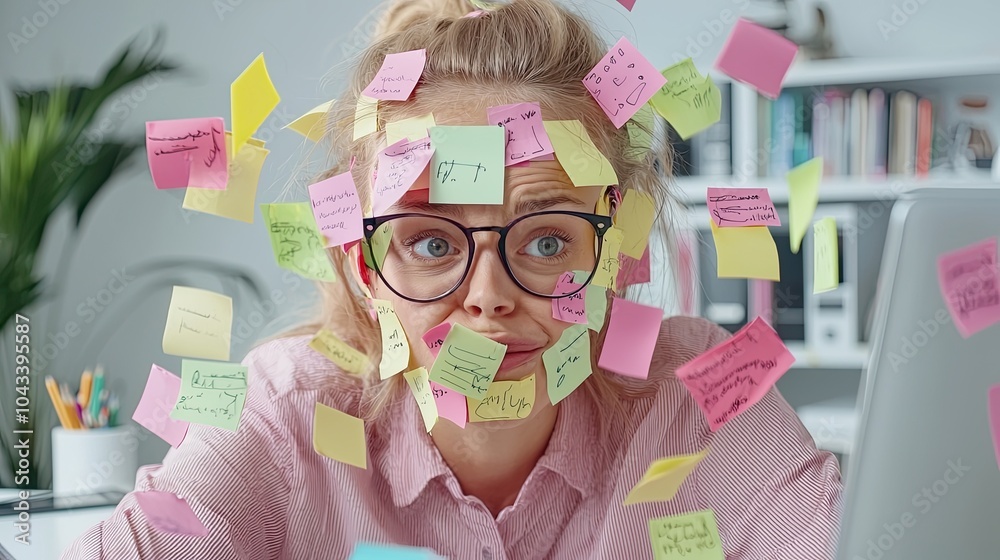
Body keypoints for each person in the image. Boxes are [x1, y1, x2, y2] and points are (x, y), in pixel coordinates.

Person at [63, 0, 842, 558]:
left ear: (616, 245)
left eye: (545, 239)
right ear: (362, 266)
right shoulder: (283, 412)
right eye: (431, 244)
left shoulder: (701, 385)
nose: (488, 295)